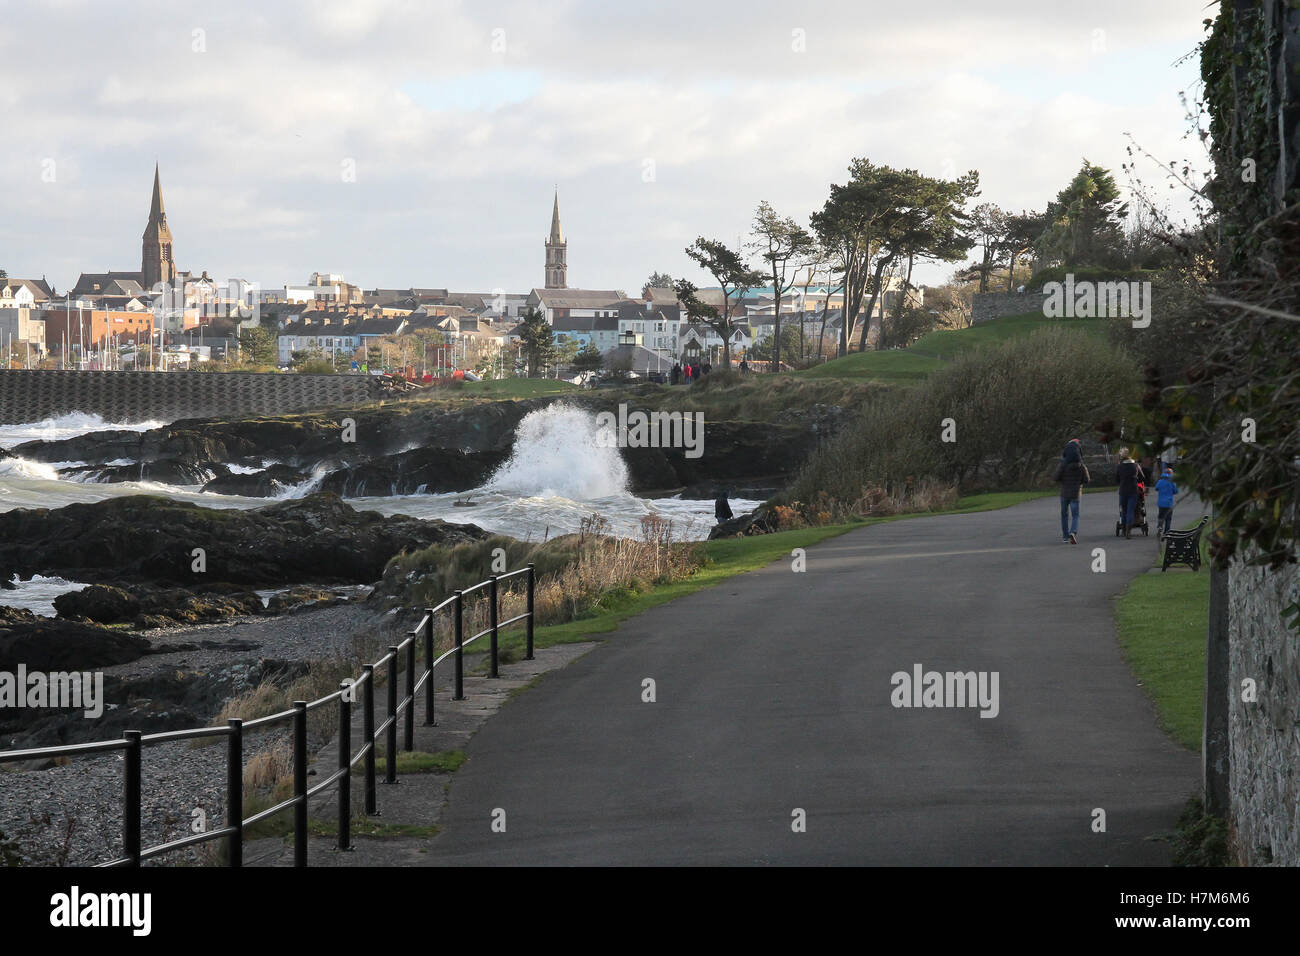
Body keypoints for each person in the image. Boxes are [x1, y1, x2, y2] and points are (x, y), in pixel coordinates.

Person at [1054, 438, 1090, 544]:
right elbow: (1087, 480)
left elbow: (1055, 477)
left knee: (1064, 515)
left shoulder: (1063, 465)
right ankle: (1073, 532)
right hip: (1076, 493)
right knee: (1075, 515)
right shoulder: (1081, 466)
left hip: (1064, 493)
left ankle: (1065, 536)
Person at [1115, 447, 1145, 539]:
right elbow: (1142, 477)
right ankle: (1128, 531)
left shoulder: (1119, 467)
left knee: (1124, 511)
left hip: (1123, 490)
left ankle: (1124, 529)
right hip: (1133, 490)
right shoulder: (1135, 466)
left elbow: (1116, 479)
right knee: (1130, 511)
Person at [1154, 468, 1177, 538]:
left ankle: (1160, 527)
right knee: (1168, 518)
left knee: (1161, 516)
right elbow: (1176, 491)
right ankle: (1167, 532)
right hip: (1169, 503)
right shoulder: (1172, 482)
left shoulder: (1160, 481)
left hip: (1161, 503)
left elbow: (1156, 488)